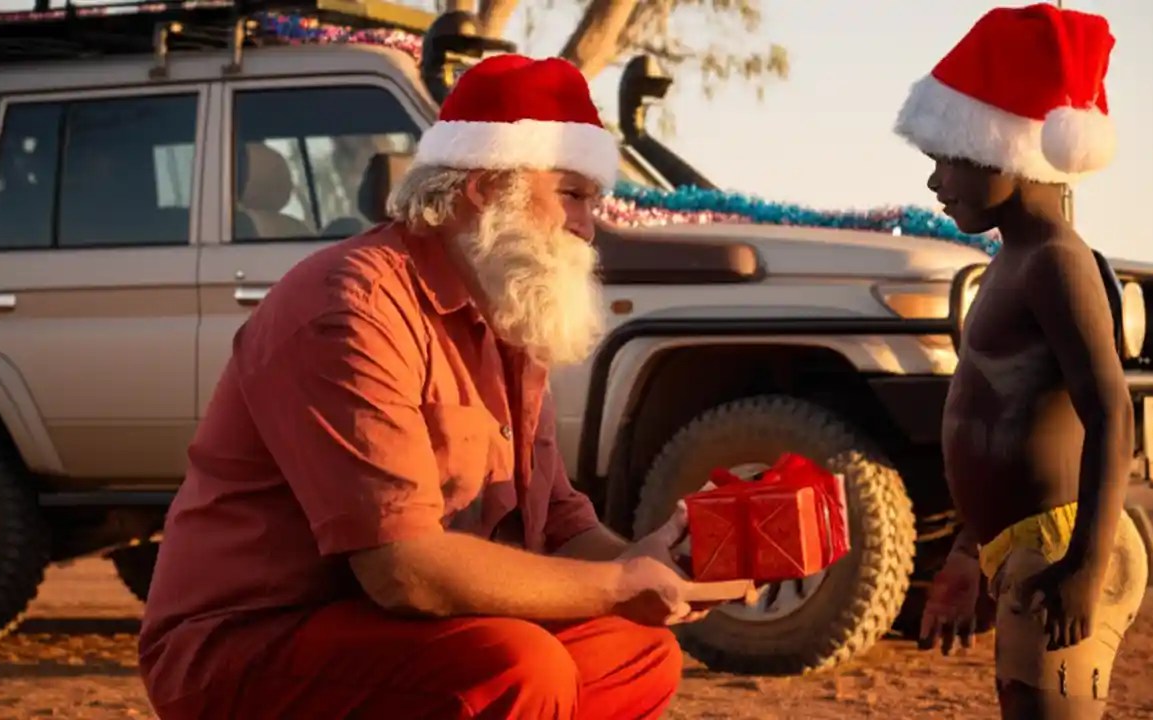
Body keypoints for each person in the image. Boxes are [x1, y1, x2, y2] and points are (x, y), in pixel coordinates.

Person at [139, 53, 744, 719]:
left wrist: (648, 563)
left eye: (591, 202)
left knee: (635, 650)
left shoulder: (505, 306)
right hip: (248, 644)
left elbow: (559, 523)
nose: (586, 225)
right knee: (519, 668)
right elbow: (403, 572)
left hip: (382, 626)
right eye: (571, 195)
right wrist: (616, 583)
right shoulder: (350, 307)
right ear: (485, 189)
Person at [893, 4, 1149, 719]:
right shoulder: (1016, 260)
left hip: (1066, 545)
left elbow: (1110, 414)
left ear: (1006, 150)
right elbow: (1000, 412)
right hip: (1024, 546)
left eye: (948, 157)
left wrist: (1085, 568)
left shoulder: (1059, 265)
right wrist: (972, 552)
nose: (935, 183)